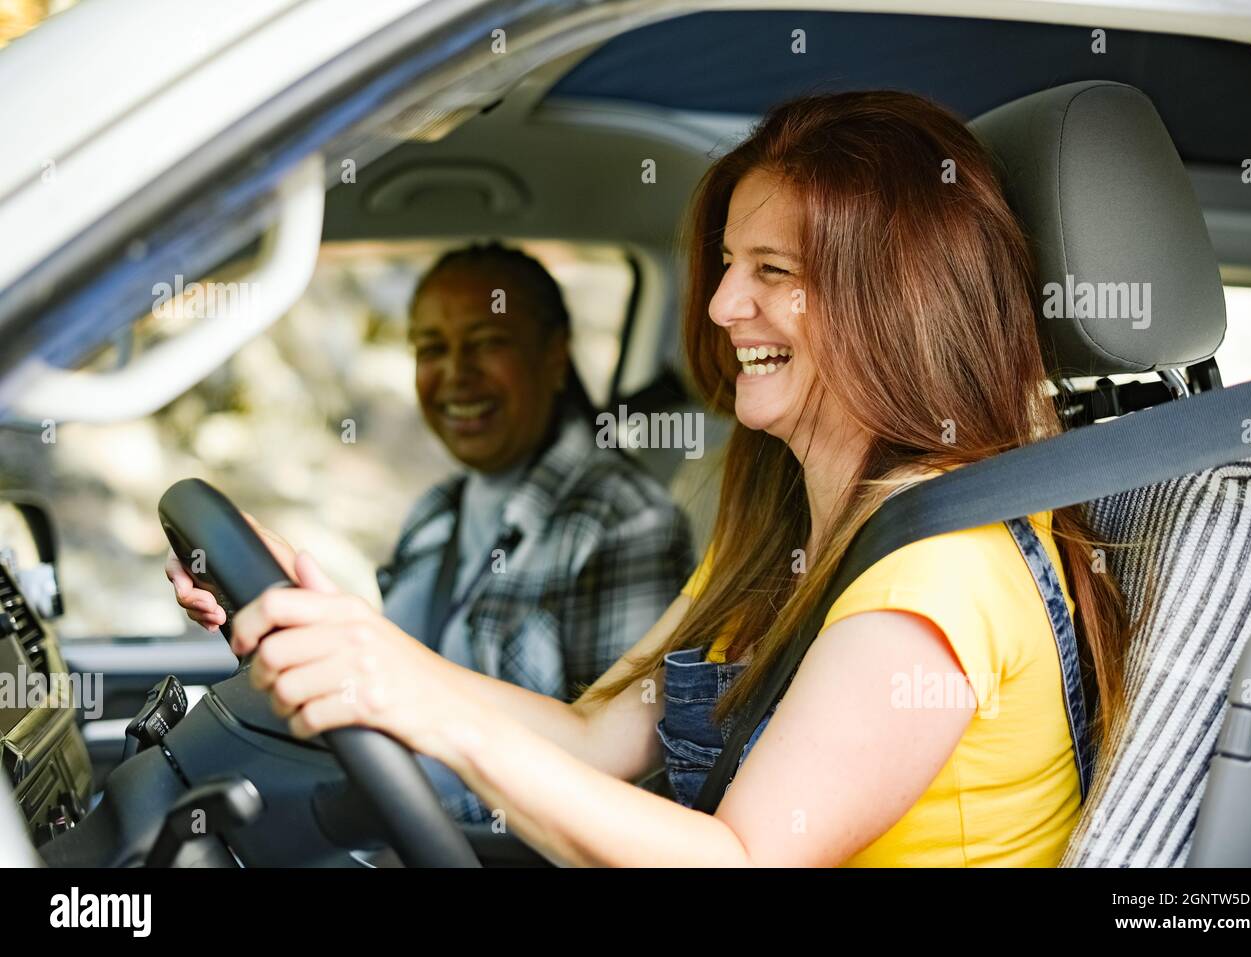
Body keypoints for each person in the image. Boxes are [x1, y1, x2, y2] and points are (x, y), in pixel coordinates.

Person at [207, 91, 1134, 865]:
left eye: (772, 271)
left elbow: (731, 860)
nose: (726, 305)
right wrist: (353, 640)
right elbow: (589, 737)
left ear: (889, 303)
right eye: (730, 264)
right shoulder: (787, 540)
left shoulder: (941, 573)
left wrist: (417, 704)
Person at [168, 242, 695, 819]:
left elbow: (622, 790)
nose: (455, 375)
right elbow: (378, 681)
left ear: (554, 356)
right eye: (431, 348)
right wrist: (266, 605)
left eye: (488, 343)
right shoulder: (438, 511)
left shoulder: (623, 521)